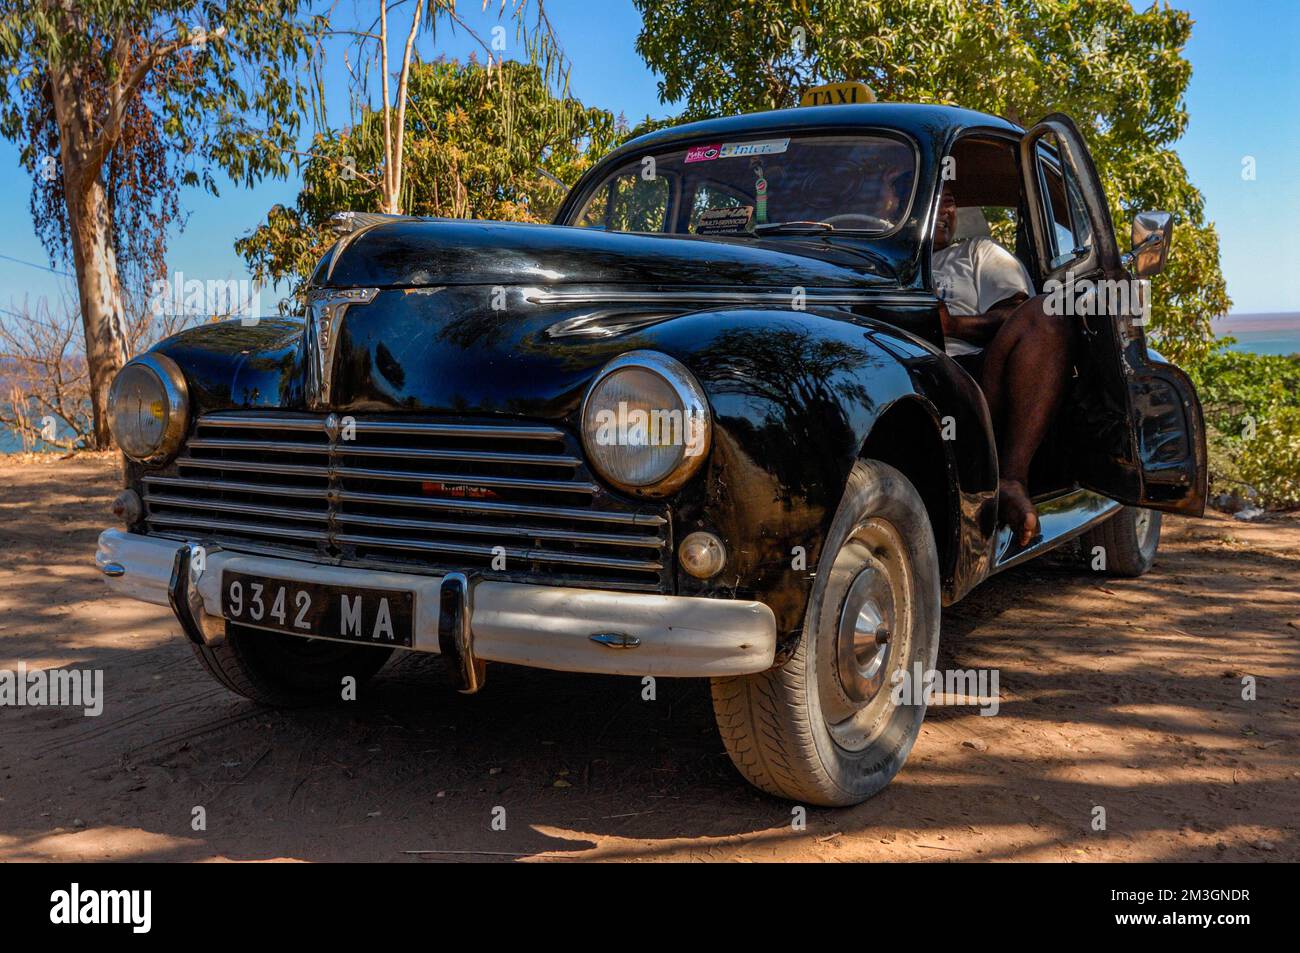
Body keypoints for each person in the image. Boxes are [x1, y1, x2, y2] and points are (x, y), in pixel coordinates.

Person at [931, 184, 1072, 547]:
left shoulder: (978, 251)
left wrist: (954, 326)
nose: (946, 209)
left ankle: (1011, 479)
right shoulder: (861, 260)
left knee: (1046, 313)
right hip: (899, 373)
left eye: (951, 201)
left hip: (972, 374)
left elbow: (1018, 314)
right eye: (935, 198)